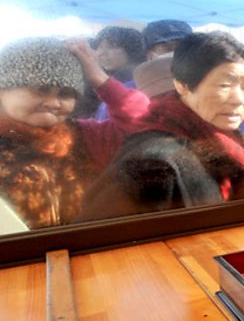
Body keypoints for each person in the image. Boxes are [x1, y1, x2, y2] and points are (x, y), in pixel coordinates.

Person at [82, 32, 244, 218]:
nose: (238, 99)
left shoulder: (227, 142)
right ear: (182, 86)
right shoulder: (154, 164)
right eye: (224, 85)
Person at [0, 37, 149, 228]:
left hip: (88, 250)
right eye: (41, 90)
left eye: (65, 94)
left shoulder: (84, 136)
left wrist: (100, 79)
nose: (53, 103)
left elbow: (146, 124)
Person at [87, 25, 146, 121]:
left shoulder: (131, 78)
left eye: (111, 47)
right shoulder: (94, 76)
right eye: (100, 47)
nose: (102, 53)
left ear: (130, 51)